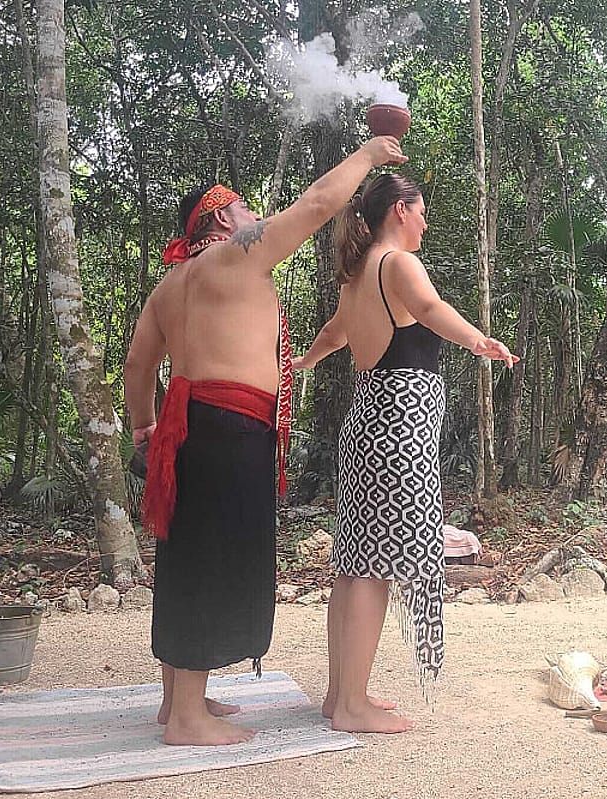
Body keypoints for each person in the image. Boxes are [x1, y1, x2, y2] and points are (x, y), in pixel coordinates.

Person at [123, 136, 406, 746]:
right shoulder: (238, 255)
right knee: (212, 558)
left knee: (187, 555)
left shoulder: (168, 287)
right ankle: (187, 721)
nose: (257, 216)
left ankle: (178, 700)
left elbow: (139, 365)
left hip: (185, 429)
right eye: (247, 208)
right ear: (224, 217)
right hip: (230, 427)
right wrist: (366, 157)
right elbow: (314, 206)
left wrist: (144, 425)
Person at [293, 173, 518, 734]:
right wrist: (477, 340)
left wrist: (303, 364)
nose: (424, 222)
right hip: (400, 424)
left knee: (354, 562)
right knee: (375, 566)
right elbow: (430, 306)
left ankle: (339, 694)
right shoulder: (397, 265)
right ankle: (351, 706)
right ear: (399, 210)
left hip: (368, 419)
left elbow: (333, 335)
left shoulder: (356, 277)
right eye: (420, 212)